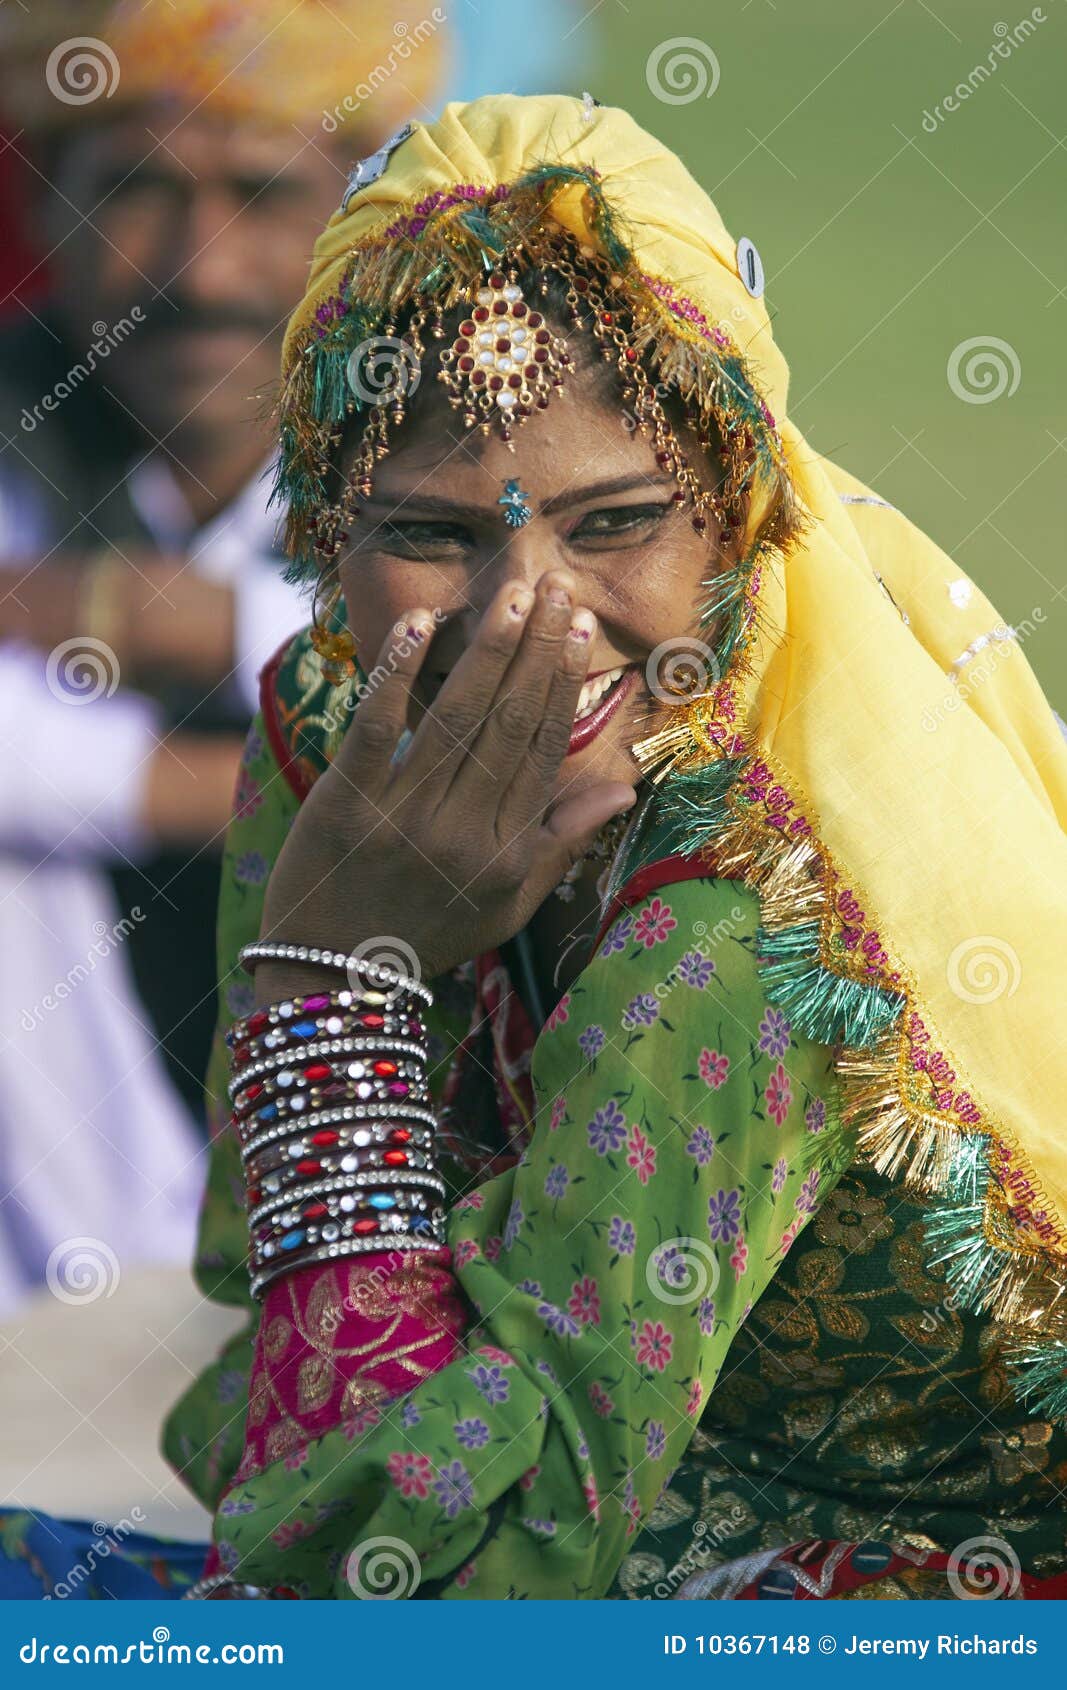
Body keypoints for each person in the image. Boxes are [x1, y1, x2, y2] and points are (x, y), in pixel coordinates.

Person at [5, 91, 1067, 1602]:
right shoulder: (333, 734)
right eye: (432, 534)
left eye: (618, 522)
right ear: (323, 537)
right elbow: (269, 1333)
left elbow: (437, 1601)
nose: (533, 619)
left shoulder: (750, 921)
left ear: (740, 512)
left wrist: (335, 986)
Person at [0, 1, 448, 1311]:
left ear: (368, 224)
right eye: (135, 191)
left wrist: (177, 623)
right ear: (42, 212)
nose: (200, 269)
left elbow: (601, 706)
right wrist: (376, 765)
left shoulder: (467, 443)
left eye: (263, 194)